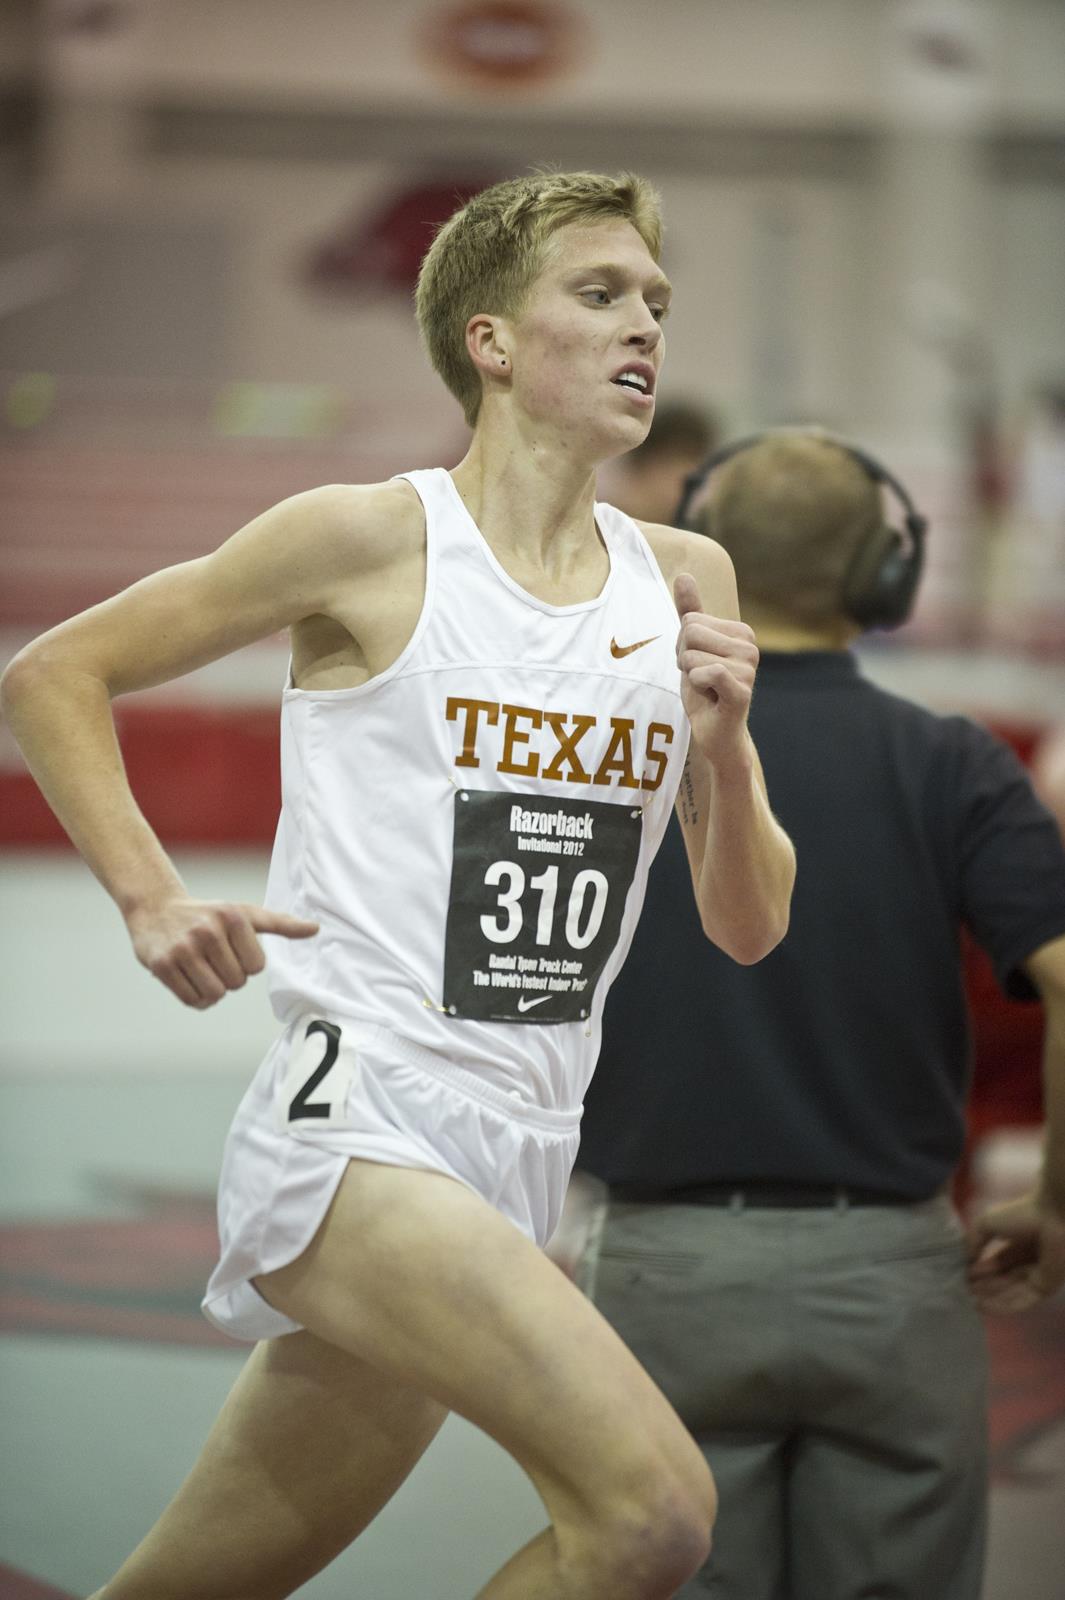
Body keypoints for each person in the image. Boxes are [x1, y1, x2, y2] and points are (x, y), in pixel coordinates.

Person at [0, 171, 795, 1600]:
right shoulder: (369, 536)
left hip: (526, 1144)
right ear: (490, 342)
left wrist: (727, 755)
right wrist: (148, 895)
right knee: (653, 1514)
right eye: (600, 295)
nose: (644, 330)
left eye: (658, 305)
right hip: (362, 1117)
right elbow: (54, 670)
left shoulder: (683, 577)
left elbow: (747, 925)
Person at [567, 430, 1065, 1600]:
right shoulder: (958, 762)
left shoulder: (612, 746)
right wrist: (1058, 1198)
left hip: (660, 1268)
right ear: (882, 578)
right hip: (890, 1275)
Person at [605, 398, 720, 525]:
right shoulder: (603, 525)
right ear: (643, 464)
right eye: (673, 463)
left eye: (696, 466)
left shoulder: (695, 532)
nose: (687, 478)